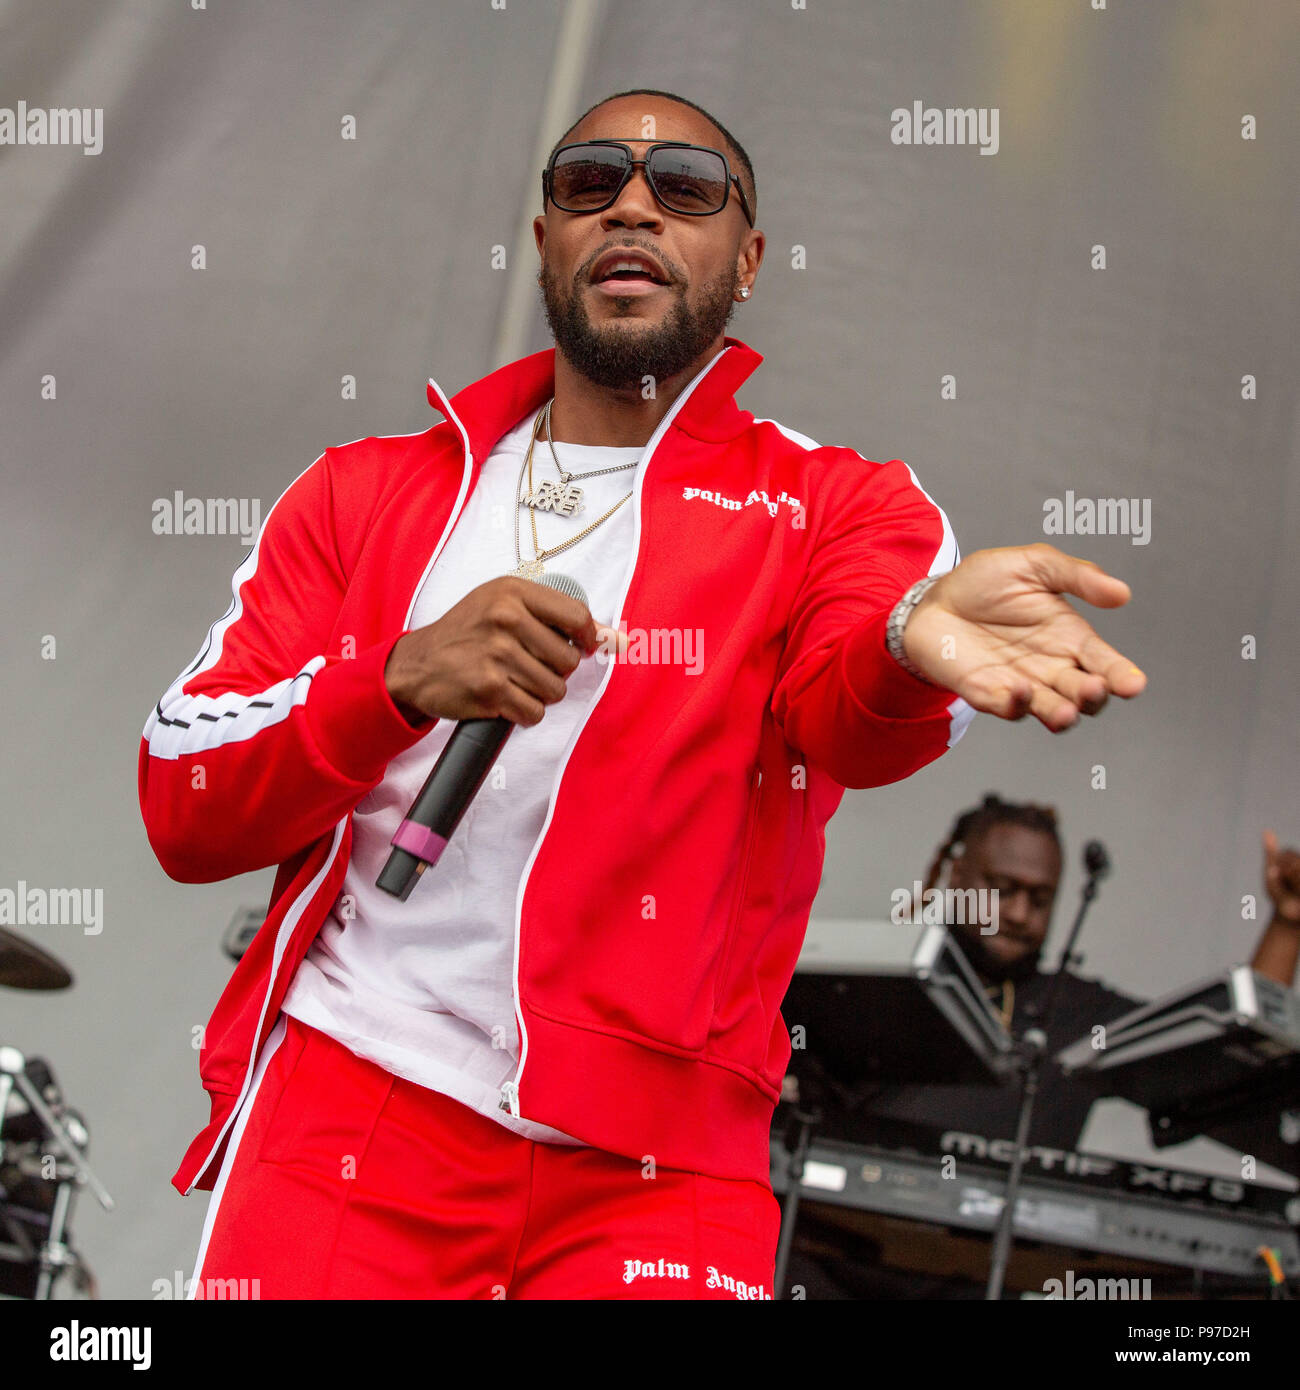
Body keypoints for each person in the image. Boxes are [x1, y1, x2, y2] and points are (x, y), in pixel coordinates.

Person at [138, 89, 1145, 1300]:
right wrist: (394, 679)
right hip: (351, 1112)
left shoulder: (840, 507)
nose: (630, 204)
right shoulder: (367, 493)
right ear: (545, 238)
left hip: (660, 1171)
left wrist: (897, 643)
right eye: (588, 183)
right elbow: (183, 805)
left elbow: (847, 715)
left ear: (747, 257)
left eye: (685, 190)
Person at [780, 794, 1300, 1298]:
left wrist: (1286, 924)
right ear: (958, 876)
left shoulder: (1080, 1014)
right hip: (820, 1269)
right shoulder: (875, 985)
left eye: (1040, 898)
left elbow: (1224, 1061)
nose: (1020, 913)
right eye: (1002, 889)